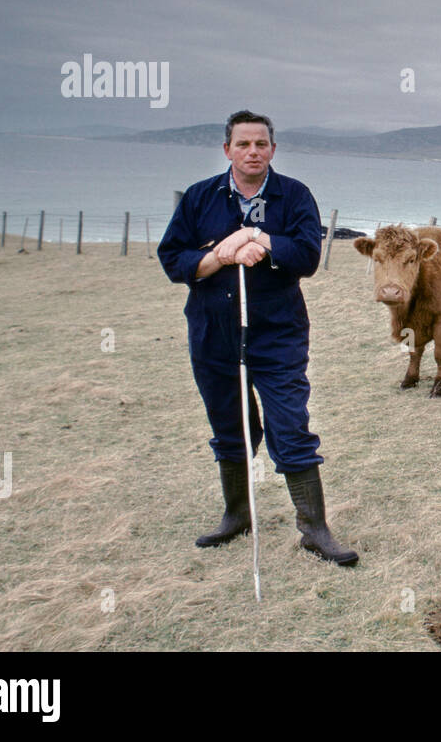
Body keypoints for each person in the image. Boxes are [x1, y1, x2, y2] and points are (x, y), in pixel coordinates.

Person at [157, 110, 358, 567]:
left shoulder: (295, 196)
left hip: (278, 333)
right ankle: (237, 514)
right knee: (231, 428)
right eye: (243, 144)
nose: (253, 151)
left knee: (290, 426)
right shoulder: (199, 198)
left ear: (273, 149)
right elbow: (173, 260)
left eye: (261, 144)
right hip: (213, 332)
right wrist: (221, 254)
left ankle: (314, 528)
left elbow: (307, 256)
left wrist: (258, 237)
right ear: (227, 149)